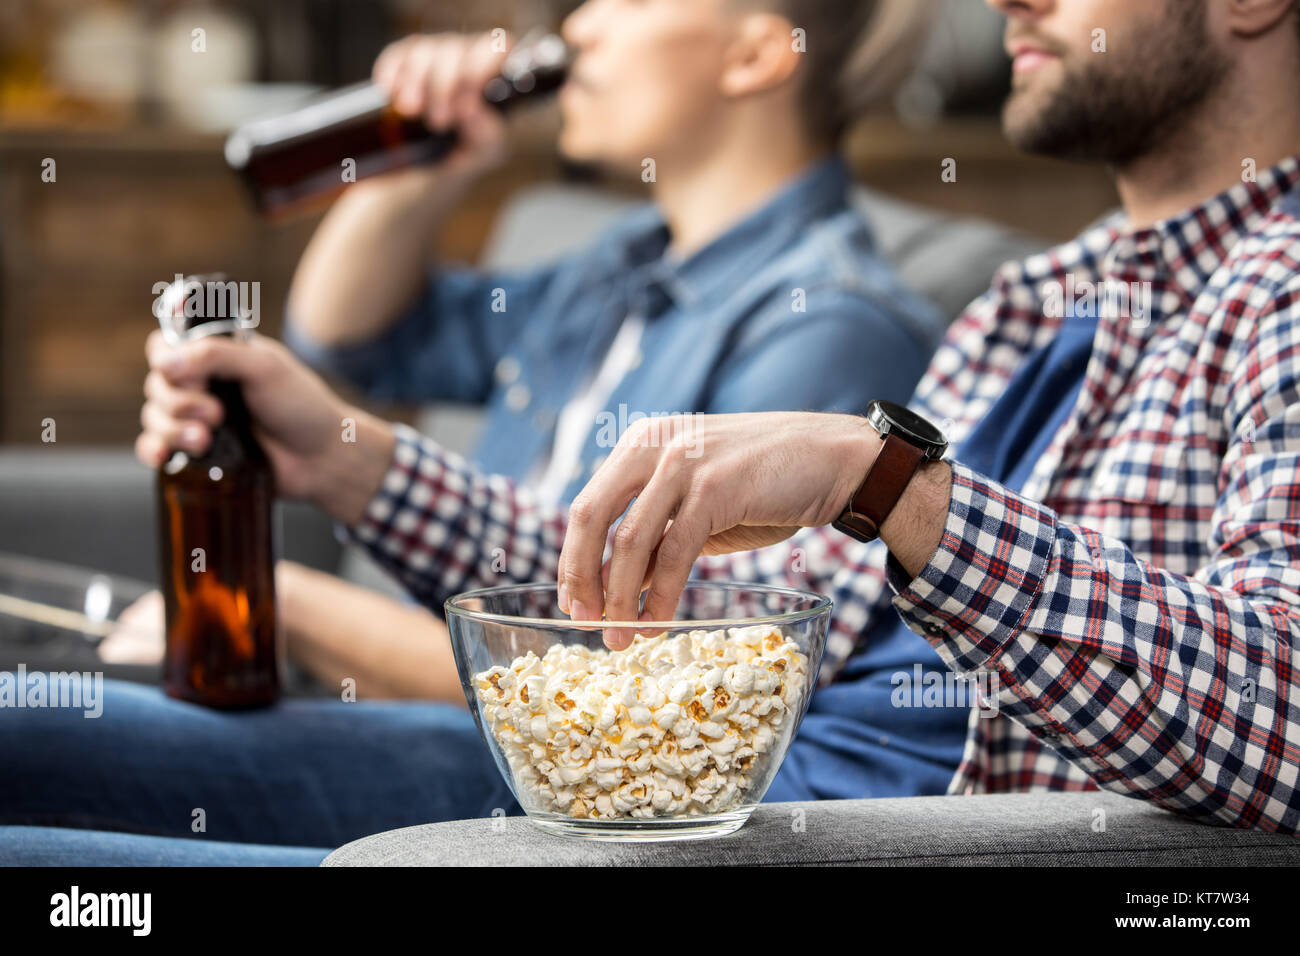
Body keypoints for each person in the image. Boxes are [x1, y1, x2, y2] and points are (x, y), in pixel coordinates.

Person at [9, 0, 1297, 866]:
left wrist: (887, 478)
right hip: (690, 777)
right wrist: (336, 455)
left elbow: (1279, 714)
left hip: (816, 829)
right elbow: (706, 610)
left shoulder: (1280, 283)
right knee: (26, 732)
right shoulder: (1034, 301)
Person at [99, 0, 944, 701]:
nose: (579, 28)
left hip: (534, 777)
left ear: (756, 55)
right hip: (419, 704)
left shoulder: (829, 323)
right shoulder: (621, 262)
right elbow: (351, 338)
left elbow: (658, 678)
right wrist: (428, 154)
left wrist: (290, 607)